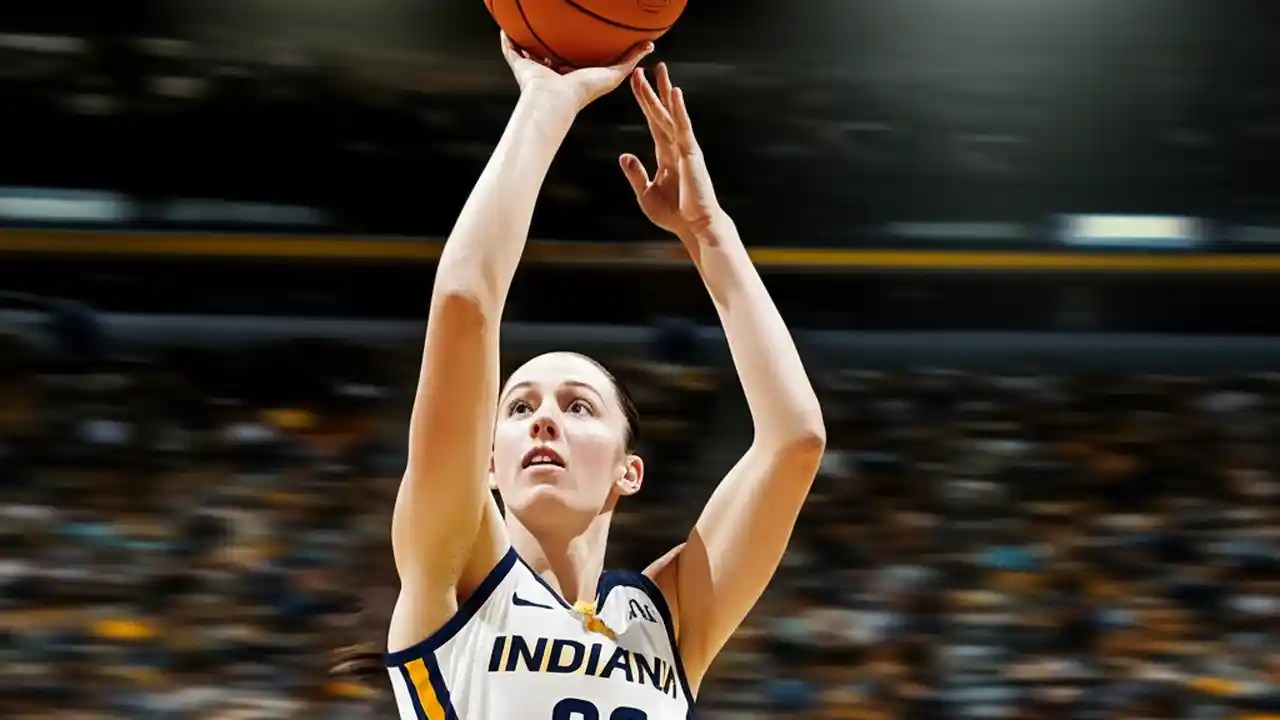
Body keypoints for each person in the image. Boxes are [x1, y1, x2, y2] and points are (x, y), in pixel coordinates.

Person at [382, 32, 826, 719]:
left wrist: (710, 233)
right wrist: (546, 103)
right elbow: (466, 304)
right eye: (518, 407)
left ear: (629, 470)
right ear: (487, 464)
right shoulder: (454, 571)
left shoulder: (662, 621)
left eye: (579, 406)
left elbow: (795, 440)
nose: (543, 419)